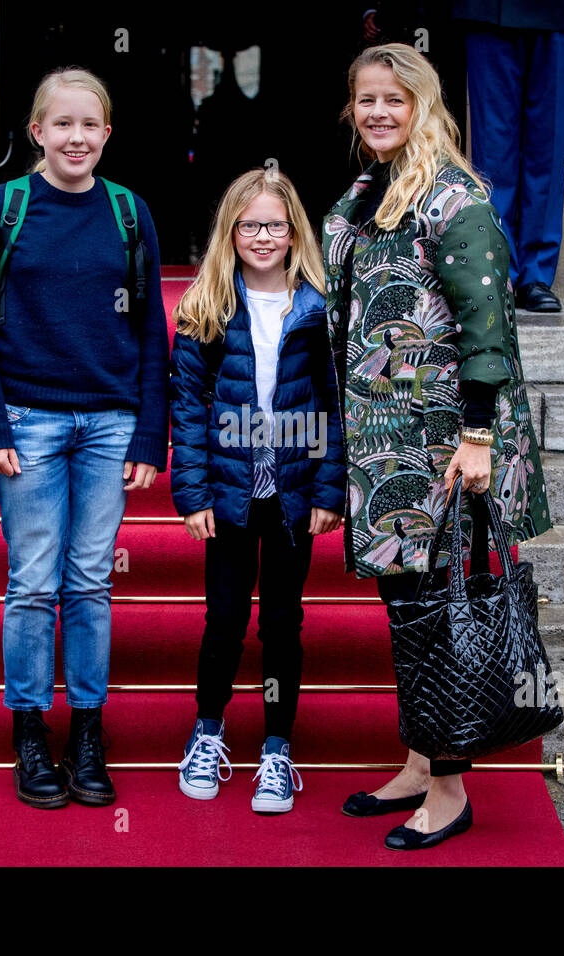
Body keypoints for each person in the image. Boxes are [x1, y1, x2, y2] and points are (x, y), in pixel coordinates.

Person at [322, 43, 552, 849]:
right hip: (386, 446)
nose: (379, 112)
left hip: (447, 446)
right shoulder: (367, 195)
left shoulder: (456, 198)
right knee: (405, 603)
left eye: (396, 98)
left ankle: (450, 790)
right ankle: (421, 761)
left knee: (436, 612)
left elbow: (487, 326)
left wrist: (482, 437)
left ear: (425, 105)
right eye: (366, 99)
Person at [0, 68, 169, 809]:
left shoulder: (128, 214)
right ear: (36, 132)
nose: (76, 137)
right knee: (33, 583)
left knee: (90, 584)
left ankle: (87, 732)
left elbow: (149, 333)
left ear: (107, 134)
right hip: (29, 425)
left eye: (90, 125)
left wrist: (148, 435)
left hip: (108, 425)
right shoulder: (3, 211)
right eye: (61, 124)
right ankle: (29, 733)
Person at [169, 168, 345, 814]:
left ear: (294, 230)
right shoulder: (207, 306)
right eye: (250, 225)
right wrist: (192, 494)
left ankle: (276, 748)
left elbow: (336, 406)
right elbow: (186, 407)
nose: (263, 236)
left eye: (274, 224)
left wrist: (330, 490)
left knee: (281, 623)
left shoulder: (321, 309)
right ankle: (207, 732)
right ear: (232, 232)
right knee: (224, 620)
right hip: (231, 492)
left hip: (293, 493)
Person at [457, 0, 564, 312]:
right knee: (492, 153)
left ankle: (535, 275)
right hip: (488, 12)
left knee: (548, 150)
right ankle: (497, 270)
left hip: (557, 14)